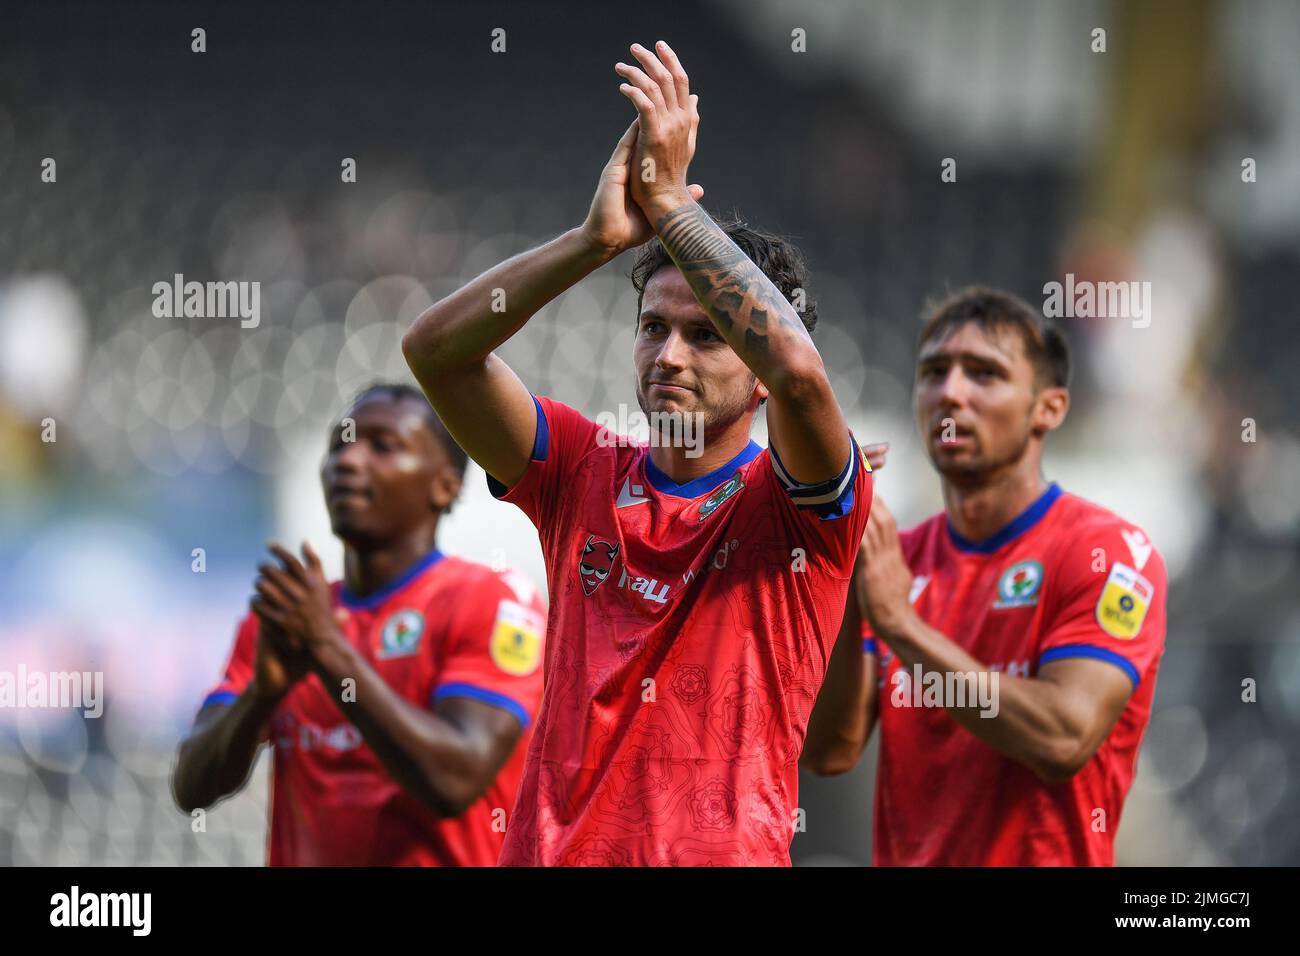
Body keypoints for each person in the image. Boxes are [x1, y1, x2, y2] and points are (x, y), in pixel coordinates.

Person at [402, 40, 875, 865]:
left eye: (709, 335)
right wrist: (595, 241)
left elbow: (800, 374)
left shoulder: (799, 511)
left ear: (754, 373)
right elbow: (435, 354)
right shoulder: (581, 470)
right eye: (653, 328)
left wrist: (668, 200)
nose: (671, 357)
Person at [803, 287, 1167, 866]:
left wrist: (898, 622)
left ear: (1048, 407)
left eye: (985, 374)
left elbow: (1063, 737)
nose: (950, 392)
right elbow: (830, 752)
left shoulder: (1108, 553)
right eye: (934, 371)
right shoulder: (898, 560)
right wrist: (847, 572)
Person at [172, 383, 546, 866]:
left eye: (383, 446)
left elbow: (455, 780)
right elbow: (191, 787)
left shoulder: (491, 600)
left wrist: (328, 650)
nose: (347, 461)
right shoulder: (288, 616)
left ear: (446, 485)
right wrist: (261, 696)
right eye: (339, 446)